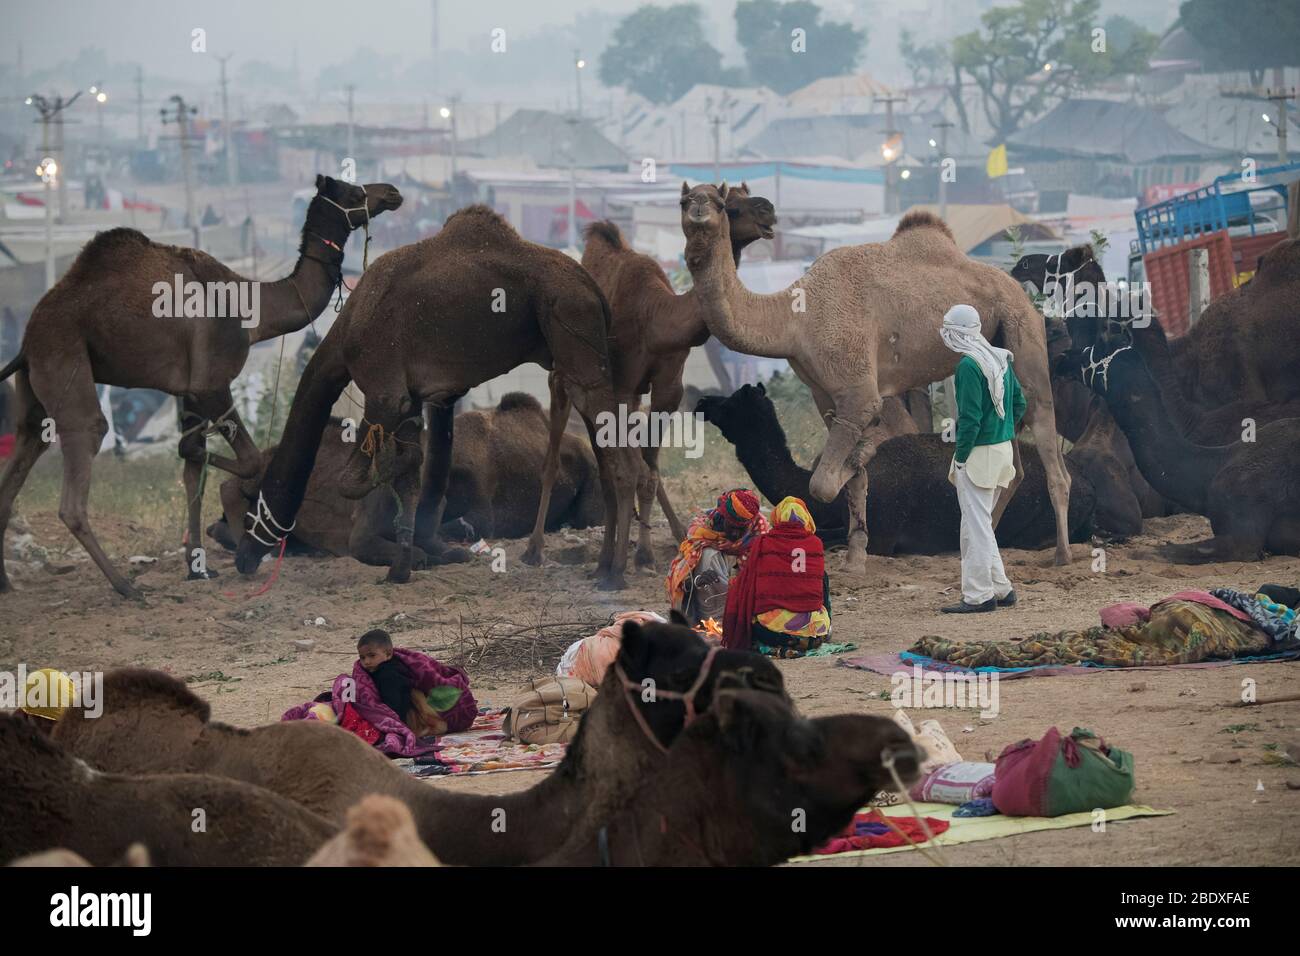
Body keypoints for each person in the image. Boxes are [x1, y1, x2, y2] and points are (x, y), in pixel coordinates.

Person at [939, 304, 1026, 614]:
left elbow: (970, 420)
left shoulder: (967, 367)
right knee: (980, 525)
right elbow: (1020, 403)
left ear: (956, 334)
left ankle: (978, 596)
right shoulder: (999, 359)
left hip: (978, 456)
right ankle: (1001, 588)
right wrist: (1002, 429)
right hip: (1002, 452)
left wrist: (960, 457)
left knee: (975, 528)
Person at [722, 496, 831, 658]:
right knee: (822, 576)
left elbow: (748, 582)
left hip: (773, 634)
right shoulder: (816, 544)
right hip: (815, 636)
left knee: (749, 607)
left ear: (778, 518)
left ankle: (777, 645)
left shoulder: (765, 543)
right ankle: (826, 630)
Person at [666, 488, 768, 626]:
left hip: (746, 603)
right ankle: (714, 622)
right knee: (708, 554)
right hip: (710, 609)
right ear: (723, 517)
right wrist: (698, 581)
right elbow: (682, 581)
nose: (735, 533)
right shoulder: (702, 529)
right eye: (732, 526)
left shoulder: (758, 528)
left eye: (741, 528)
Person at [357, 629, 458, 736]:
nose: (366, 662)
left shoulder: (387, 674)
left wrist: (395, 728)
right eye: (362, 657)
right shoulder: (379, 669)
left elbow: (395, 705)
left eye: (372, 655)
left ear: (388, 654)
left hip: (411, 715)